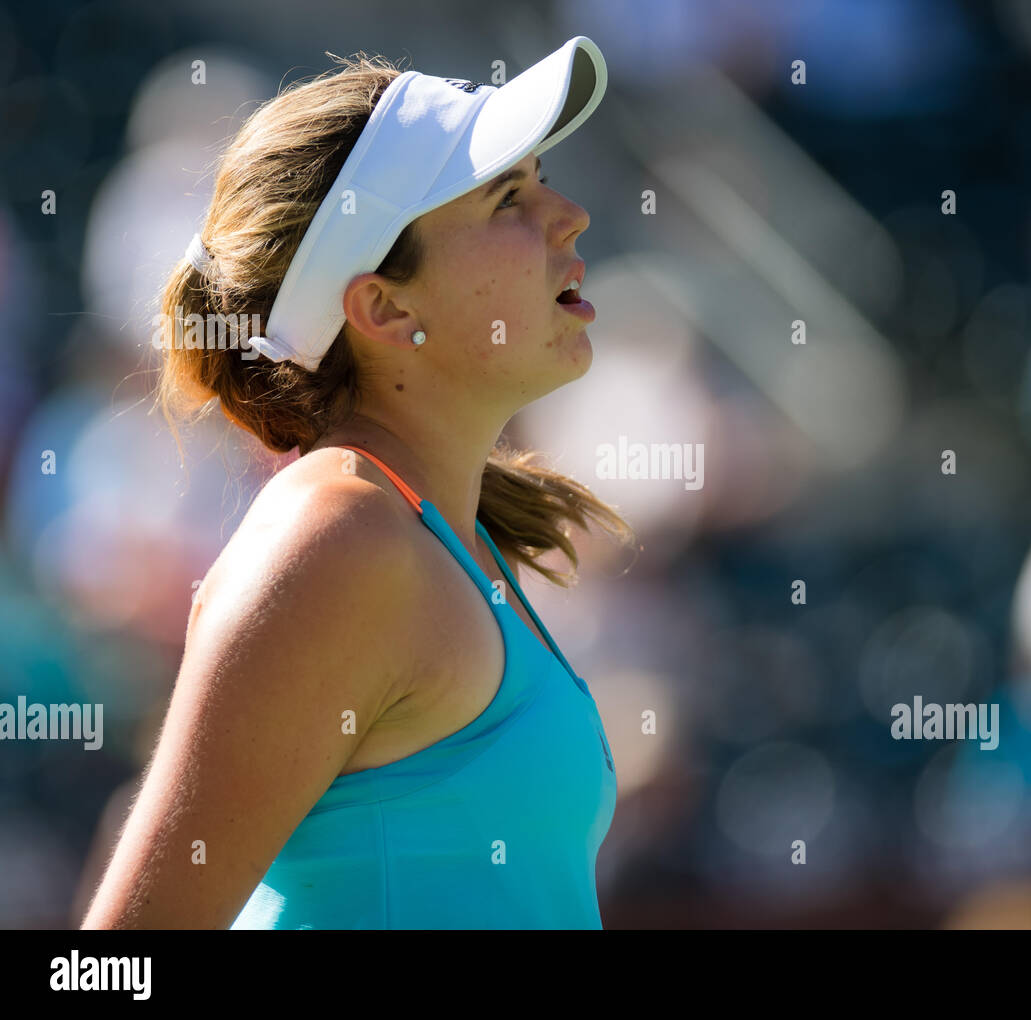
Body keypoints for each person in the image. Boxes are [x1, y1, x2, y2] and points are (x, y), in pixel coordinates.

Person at [80, 36, 635, 929]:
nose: (567, 214)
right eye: (509, 197)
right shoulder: (339, 544)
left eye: (542, 181)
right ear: (384, 306)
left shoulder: (437, 540)